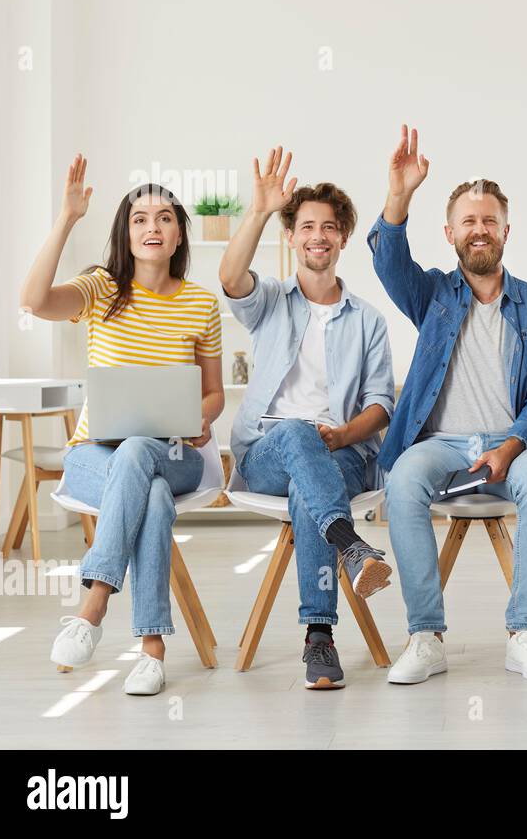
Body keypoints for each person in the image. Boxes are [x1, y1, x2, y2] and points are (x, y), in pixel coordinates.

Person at [370, 125, 527, 684]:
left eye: (489, 221)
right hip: (441, 445)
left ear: (505, 230)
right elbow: (388, 262)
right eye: (468, 222)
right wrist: (399, 194)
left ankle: (525, 632)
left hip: (514, 441)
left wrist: (508, 447)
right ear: (450, 232)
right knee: (404, 482)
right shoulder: (431, 293)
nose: (479, 231)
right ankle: (425, 636)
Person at [24, 156, 224, 696]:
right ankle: (152, 649)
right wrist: (67, 218)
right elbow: (34, 300)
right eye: (139, 218)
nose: (152, 227)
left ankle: (91, 607)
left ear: (179, 231)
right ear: (125, 231)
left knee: (142, 452)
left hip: (177, 453)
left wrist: (201, 419)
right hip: (94, 456)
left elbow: (214, 394)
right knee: (151, 495)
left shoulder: (201, 304)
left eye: (163, 217)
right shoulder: (101, 288)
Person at [220, 146, 396, 690]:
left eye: (330, 227)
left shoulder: (368, 320)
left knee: (308, 492)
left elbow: (382, 406)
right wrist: (258, 209)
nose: (318, 235)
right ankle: (350, 543)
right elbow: (229, 278)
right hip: (267, 452)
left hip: (340, 454)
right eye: (306, 226)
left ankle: (319, 641)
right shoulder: (270, 300)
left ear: (343, 238)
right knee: (296, 435)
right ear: (291, 237)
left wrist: (342, 434)